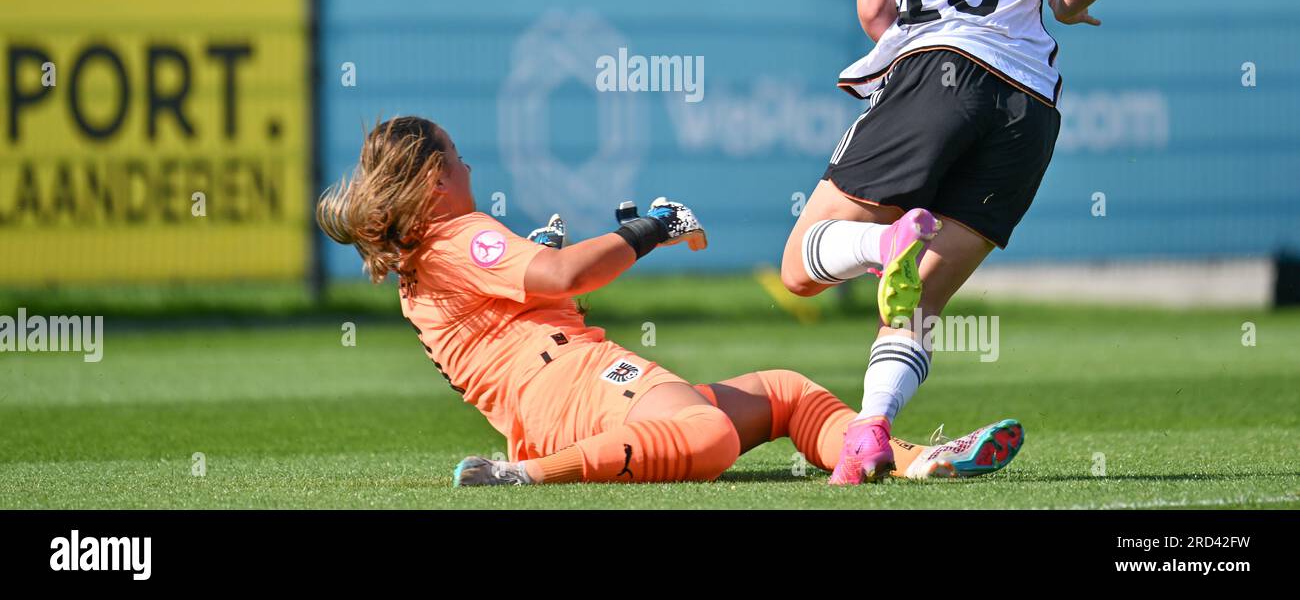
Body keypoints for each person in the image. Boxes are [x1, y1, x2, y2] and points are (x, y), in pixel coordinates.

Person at [316, 116, 1020, 485]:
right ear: (436, 177)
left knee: (787, 394)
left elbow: (516, 312)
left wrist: (552, 257)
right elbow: (564, 277)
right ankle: (519, 476)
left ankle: (909, 459)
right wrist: (649, 229)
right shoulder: (458, 235)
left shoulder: (428, 252)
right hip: (569, 393)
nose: (468, 165)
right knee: (710, 438)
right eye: (456, 155)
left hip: (561, 394)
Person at [780, 0, 1103, 484]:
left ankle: (882, 245)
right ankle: (870, 436)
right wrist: (1065, 8)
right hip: (1030, 106)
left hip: (939, 72)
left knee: (799, 263)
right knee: (917, 302)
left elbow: (871, 9)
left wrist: (904, 59)